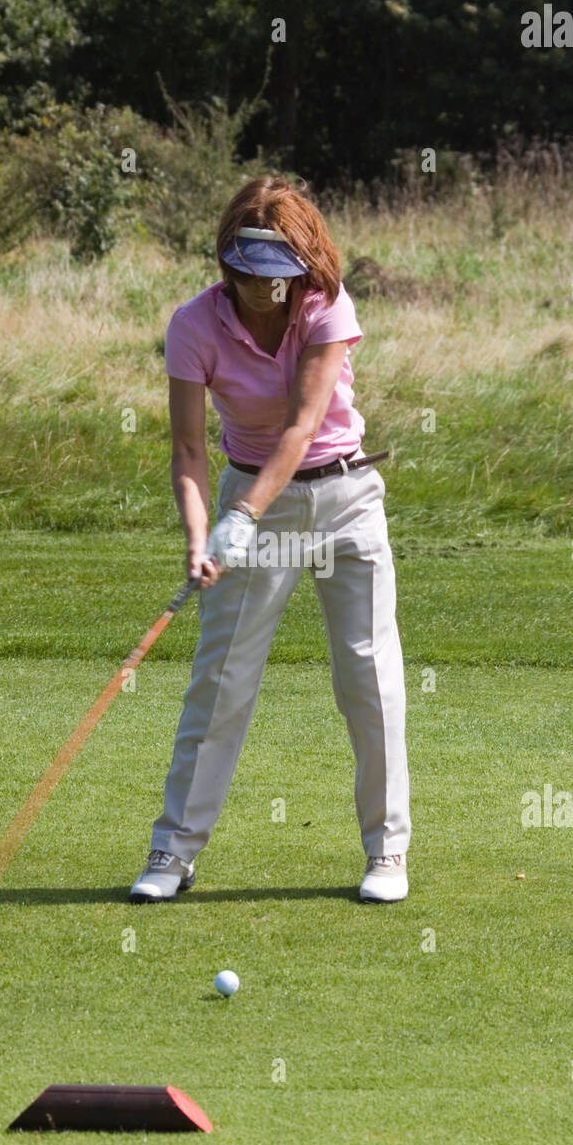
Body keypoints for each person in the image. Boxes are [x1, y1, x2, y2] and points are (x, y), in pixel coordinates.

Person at [130, 176, 411, 905]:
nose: (266, 292)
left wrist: (241, 517)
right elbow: (189, 450)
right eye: (252, 276)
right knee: (221, 680)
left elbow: (301, 425)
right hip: (252, 501)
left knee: (366, 678)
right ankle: (173, 852)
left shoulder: (326, 307)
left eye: (280, 277)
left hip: (344, 500)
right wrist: (202, 536)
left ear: (302, 268)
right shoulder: (193, 324)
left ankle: (386, 855)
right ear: (229, 265)